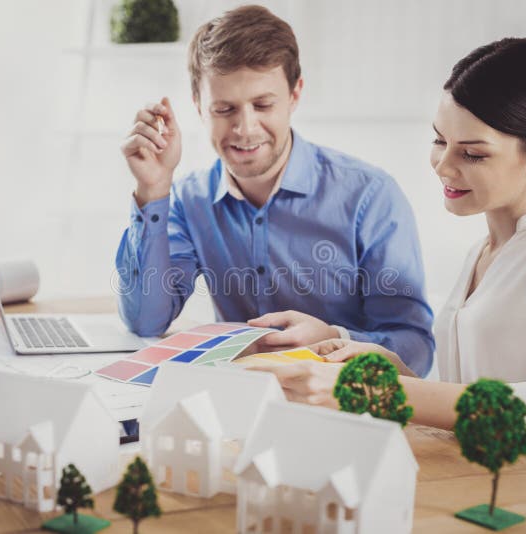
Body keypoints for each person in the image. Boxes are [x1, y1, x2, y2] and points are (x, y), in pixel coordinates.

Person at [254, 37, 526, 493]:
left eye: (472, 153)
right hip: (506, 482)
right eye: (439, 140)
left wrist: (385, 392)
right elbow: (469, 395)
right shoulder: (483, 252)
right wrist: (362, 353)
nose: (443, 166)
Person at [114, 5, 435, 376]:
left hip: (347, 412)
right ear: (198, 106)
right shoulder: (190, 199)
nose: (245, 128)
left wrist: (334, 338)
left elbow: (416, 350)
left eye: (263, 104)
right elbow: (146, 321)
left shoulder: (369, 196)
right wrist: (153, 188)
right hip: (239, 410)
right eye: (224, 109)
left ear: (295, 95)